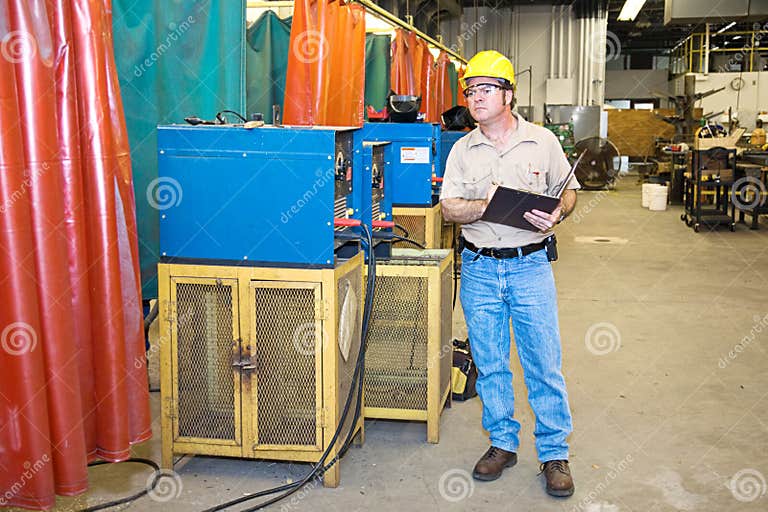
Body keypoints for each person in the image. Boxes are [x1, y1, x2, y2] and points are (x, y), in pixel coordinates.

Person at [440, 50, 579, 498]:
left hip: (530, 266)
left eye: (485, 89)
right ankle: (502, 443)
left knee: (543, 362)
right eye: (470, 91)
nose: (476, 98)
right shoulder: (463, 149)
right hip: (480, 267)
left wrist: (557, 212)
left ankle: (554, 452)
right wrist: (489, 205)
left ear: (508, 95)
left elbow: (569, 192)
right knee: (492, 362)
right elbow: (449, 207)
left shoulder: (542, 142)